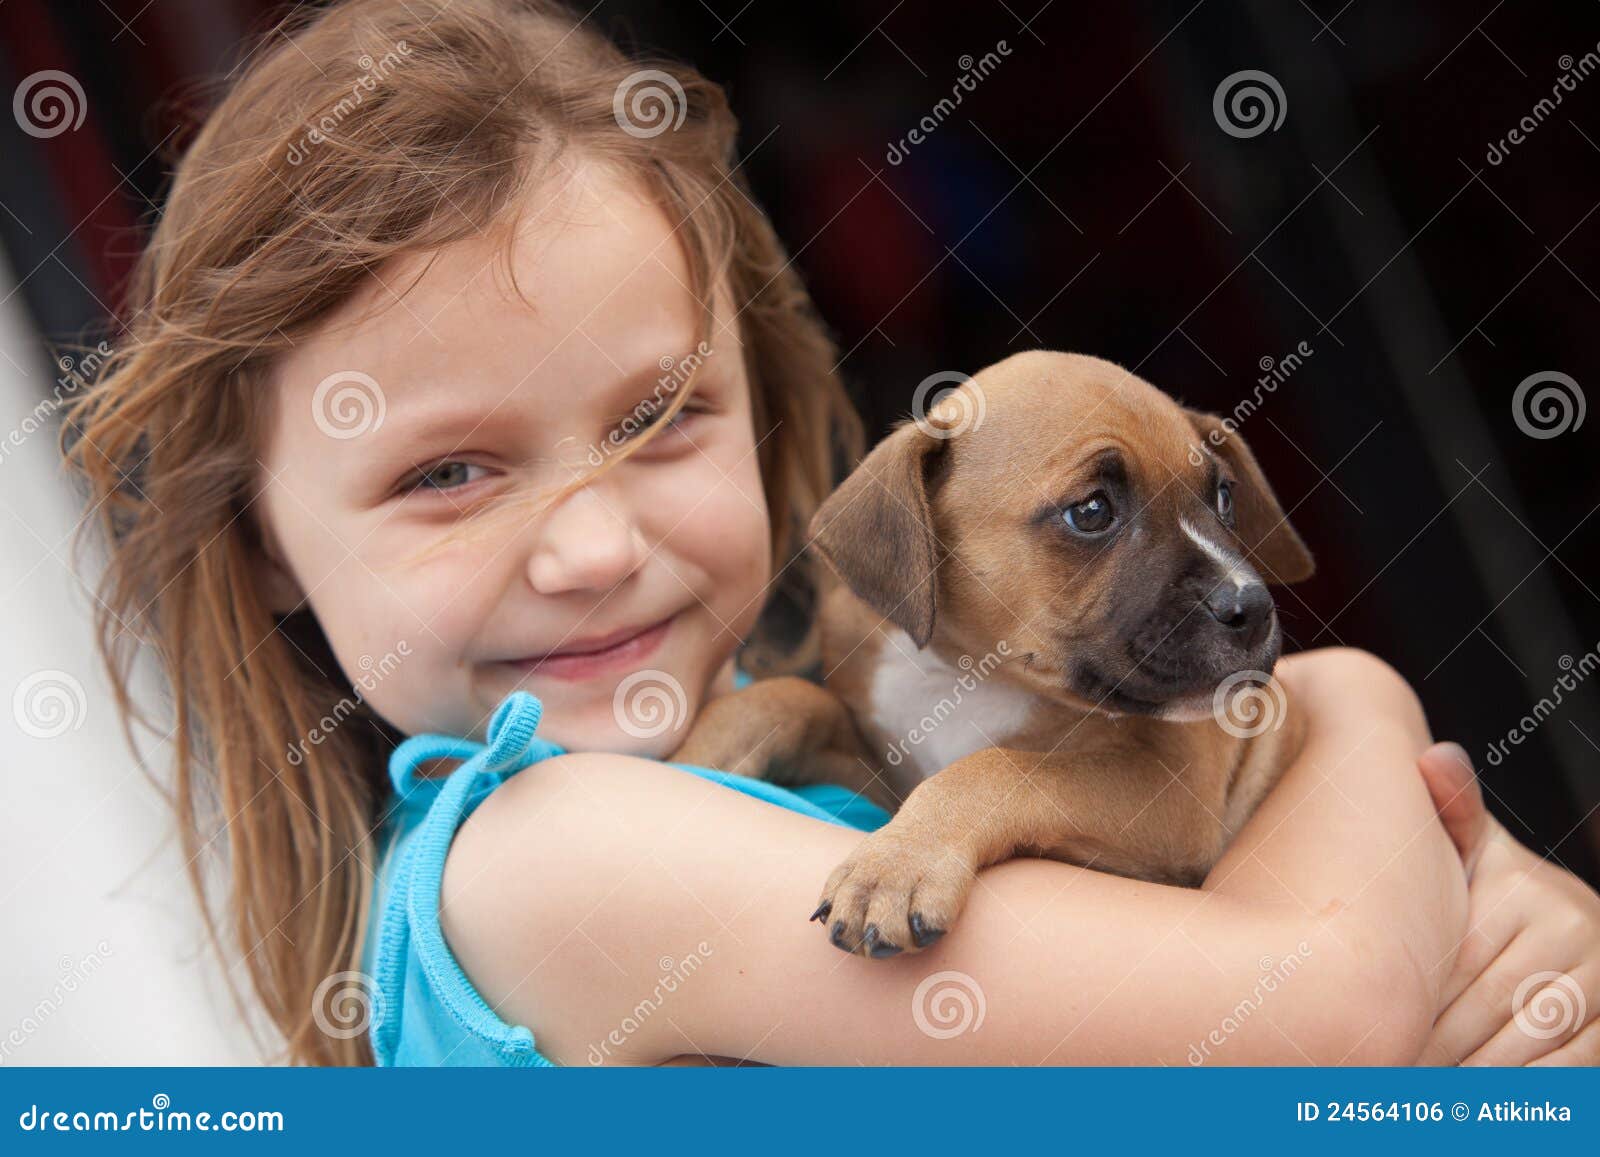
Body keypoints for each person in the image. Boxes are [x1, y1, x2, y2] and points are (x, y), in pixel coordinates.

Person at [61, 0, 1598, 1066]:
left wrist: (1526, 940)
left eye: (661, 417)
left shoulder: (770, 786)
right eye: (446, 473)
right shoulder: (547, 862)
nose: (591, 544)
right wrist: (1356, 714)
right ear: (260, 537)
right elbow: (1311, 1019)